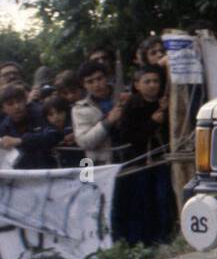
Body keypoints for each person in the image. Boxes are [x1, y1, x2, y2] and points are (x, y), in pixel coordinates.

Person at [113, 65, 174, 245]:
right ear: (137, 85)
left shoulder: (166, 102)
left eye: (155, 81)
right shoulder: (132, 106)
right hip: (141, 161)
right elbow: (128, 136)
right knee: (146, 200)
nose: (152, 85)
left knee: (163, 197)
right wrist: (152, 122)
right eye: (147, 81)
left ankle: (165, 235)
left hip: (162, 158)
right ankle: (149, 239)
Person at [0, 84, 60, 170]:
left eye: (19, 101)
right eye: (10, 104)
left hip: (48, 170)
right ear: (3, 109)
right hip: (22, 175)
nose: (16, 106)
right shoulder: (3, 128)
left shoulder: (40, 113)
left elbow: (54, 135)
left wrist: (21, 141)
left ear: (25, 101)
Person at [71, 60, 126, 166]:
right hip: (105, 165)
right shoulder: (80, 109)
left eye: (99, 79)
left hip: (133, 157)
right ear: (84, 84)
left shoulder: (124, 95)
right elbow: (84, 142)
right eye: (90, 82)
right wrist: (108, 121)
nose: (96, 85)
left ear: (107, 77)